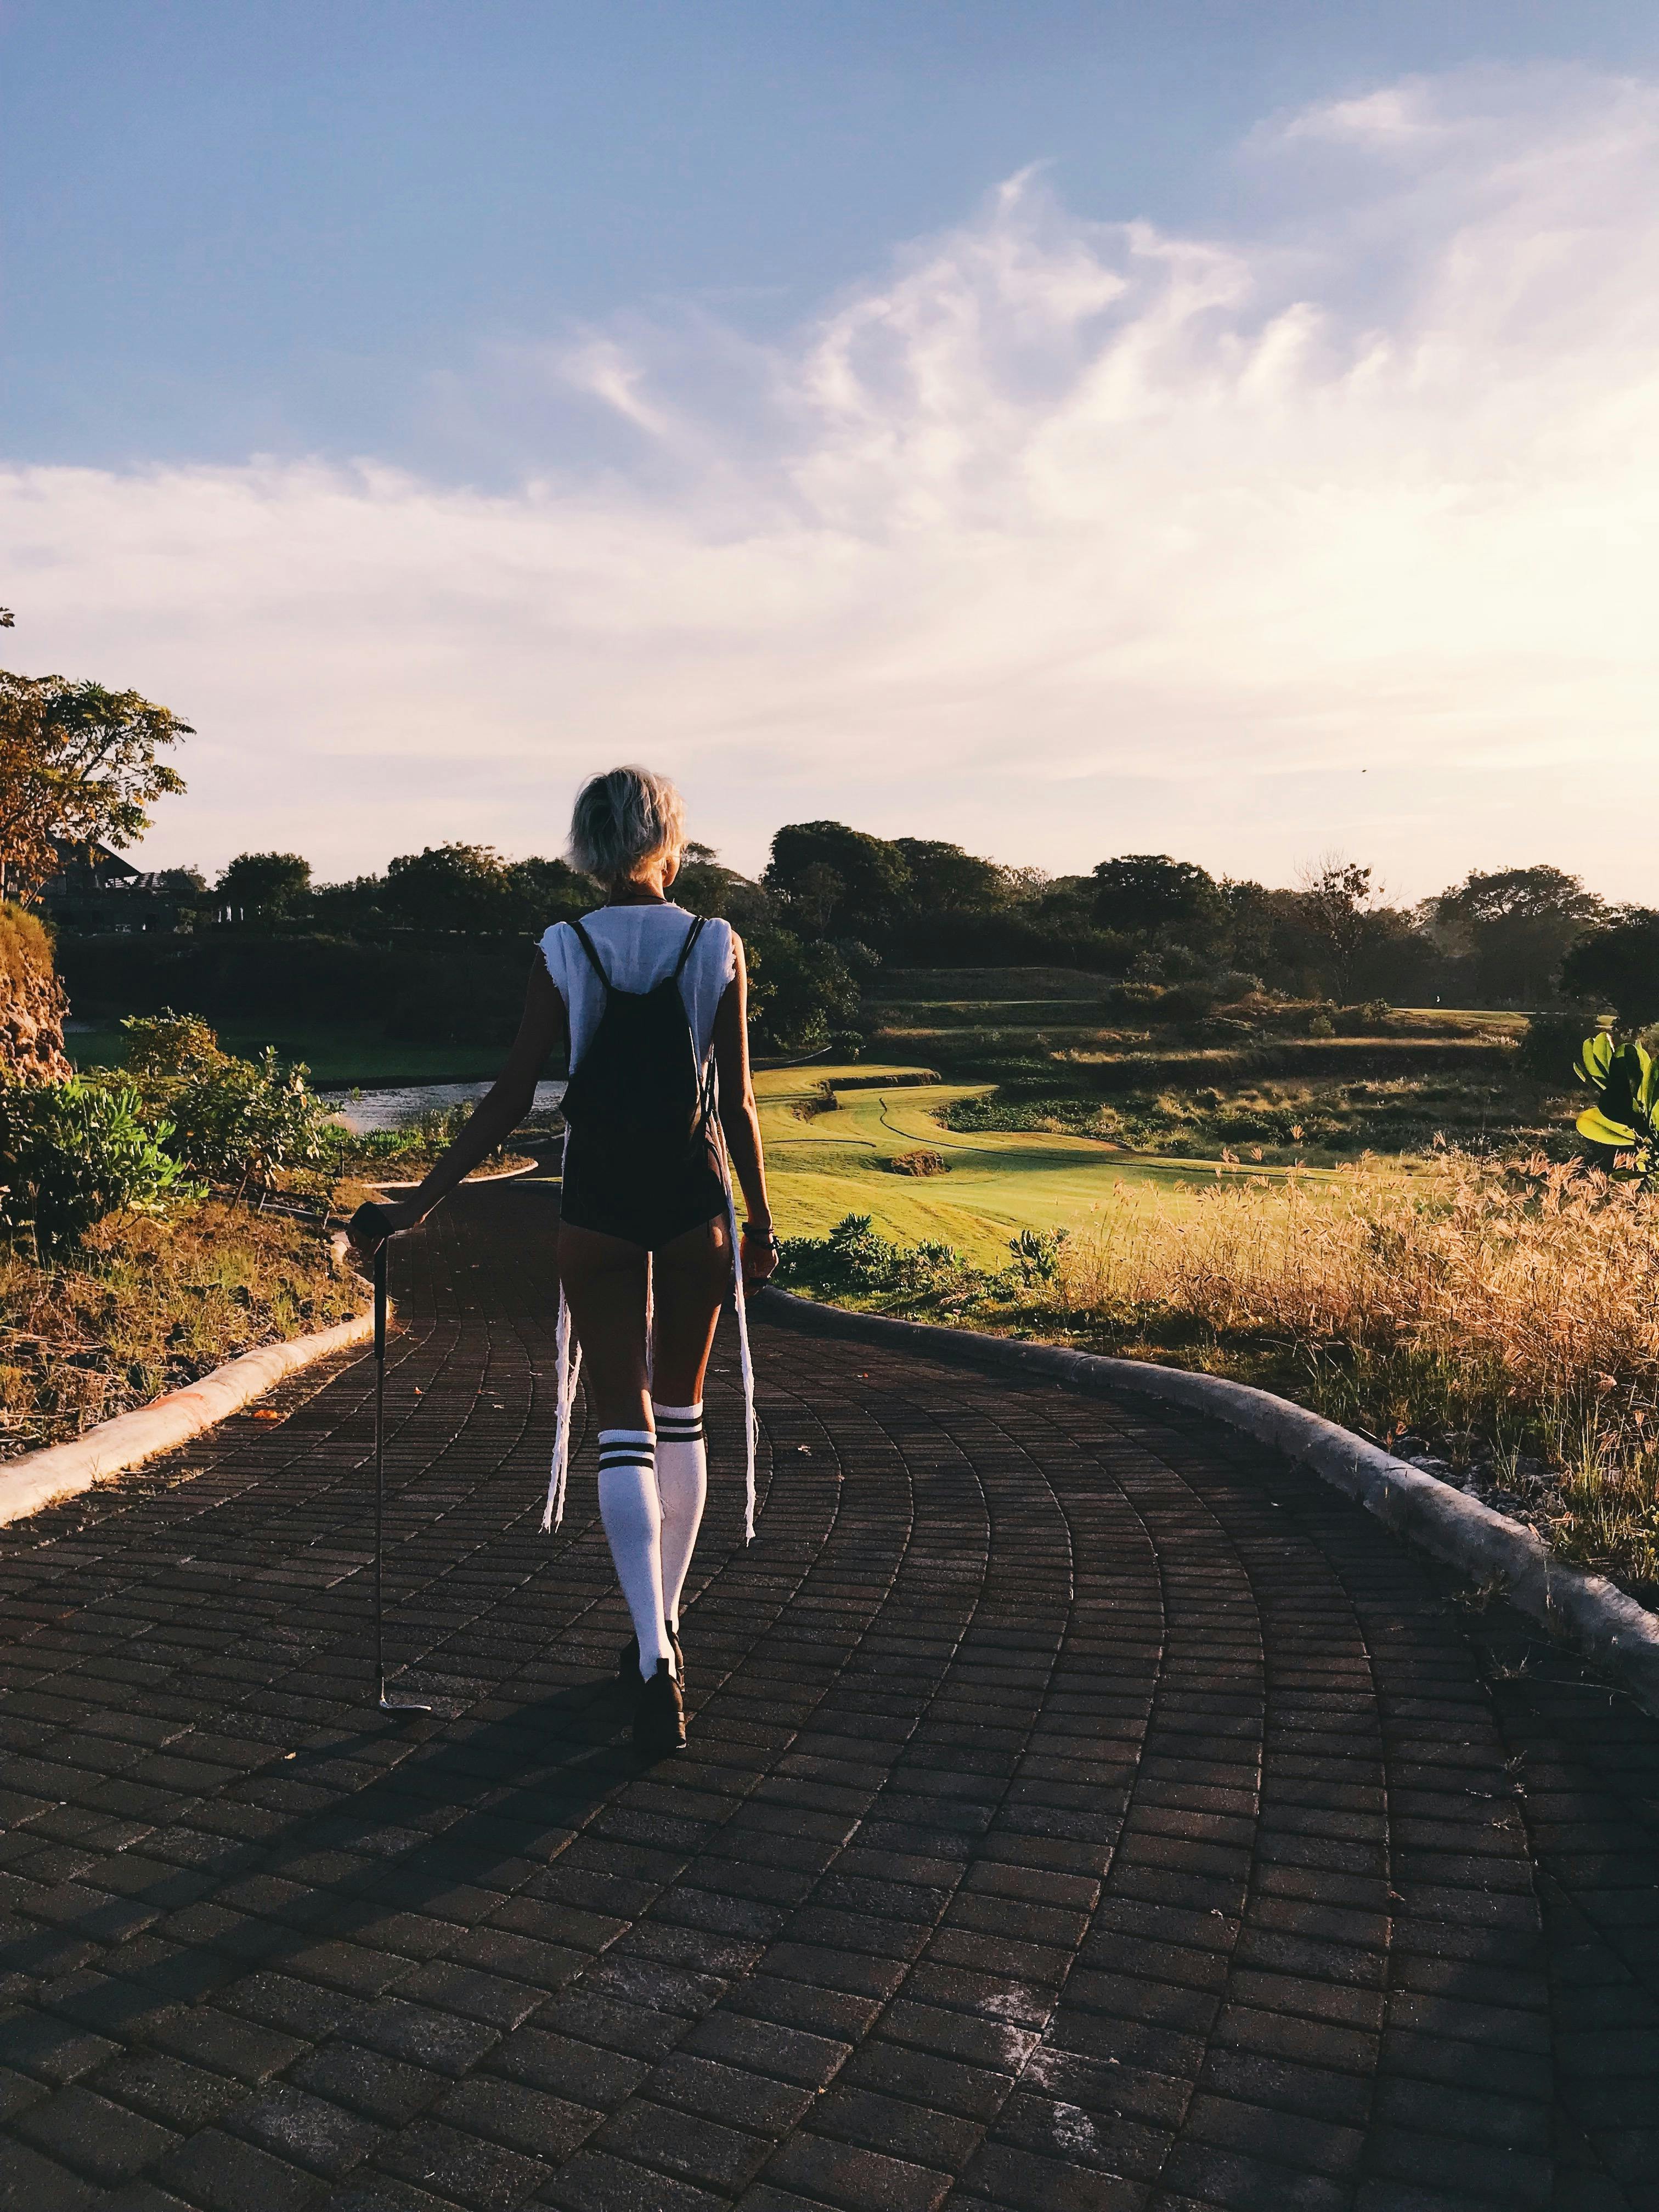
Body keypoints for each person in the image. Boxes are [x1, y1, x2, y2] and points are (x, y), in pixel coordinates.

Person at [351, 766, 778, 1758]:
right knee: (684, 1417)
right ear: (671, 839)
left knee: (619, 1429)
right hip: (690, 1202)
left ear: (587, 847)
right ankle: (662, 1638)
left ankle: (648, 1647)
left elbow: (510, 1099)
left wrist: (421, 1201)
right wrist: (760, 1221)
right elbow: (740, 1104)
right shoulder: (716, 945)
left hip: (595, 1207)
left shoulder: (565, 947)